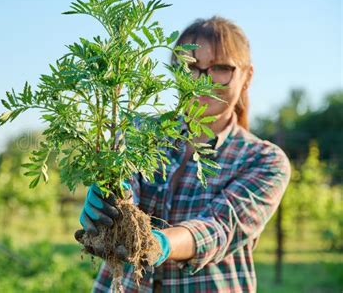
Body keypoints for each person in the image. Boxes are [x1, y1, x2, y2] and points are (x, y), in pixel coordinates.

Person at [79, 15, 292, 292]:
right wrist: (111, 198)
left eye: (220, 68)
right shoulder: (141, 131)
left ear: (247, 76)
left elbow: (219, 228)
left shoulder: (263, 160)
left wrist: (159, 244)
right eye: (190, 67)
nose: (203, 81)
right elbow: (128, 187)